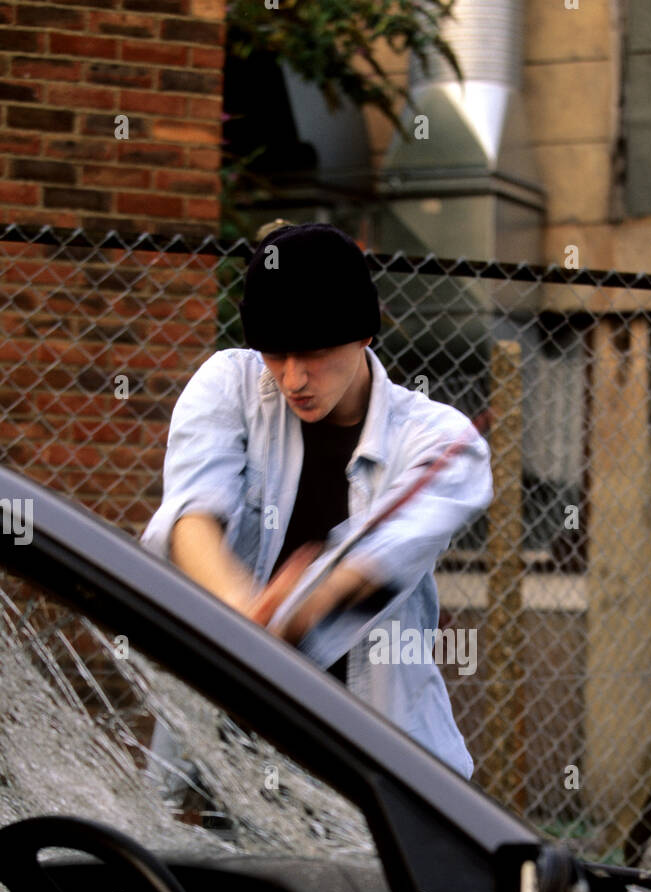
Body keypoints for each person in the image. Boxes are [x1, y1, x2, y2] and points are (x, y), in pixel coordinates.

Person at [141, 222, 492, 777]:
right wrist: (243, 610)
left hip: (372, 766)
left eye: (315, 352)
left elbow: (385, 550)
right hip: (221, 752)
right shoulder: (229, 386)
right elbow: (191, 513)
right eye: (275, 354)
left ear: (364, 335)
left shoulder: (436, 439)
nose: (293, 377)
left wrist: (298, 608)